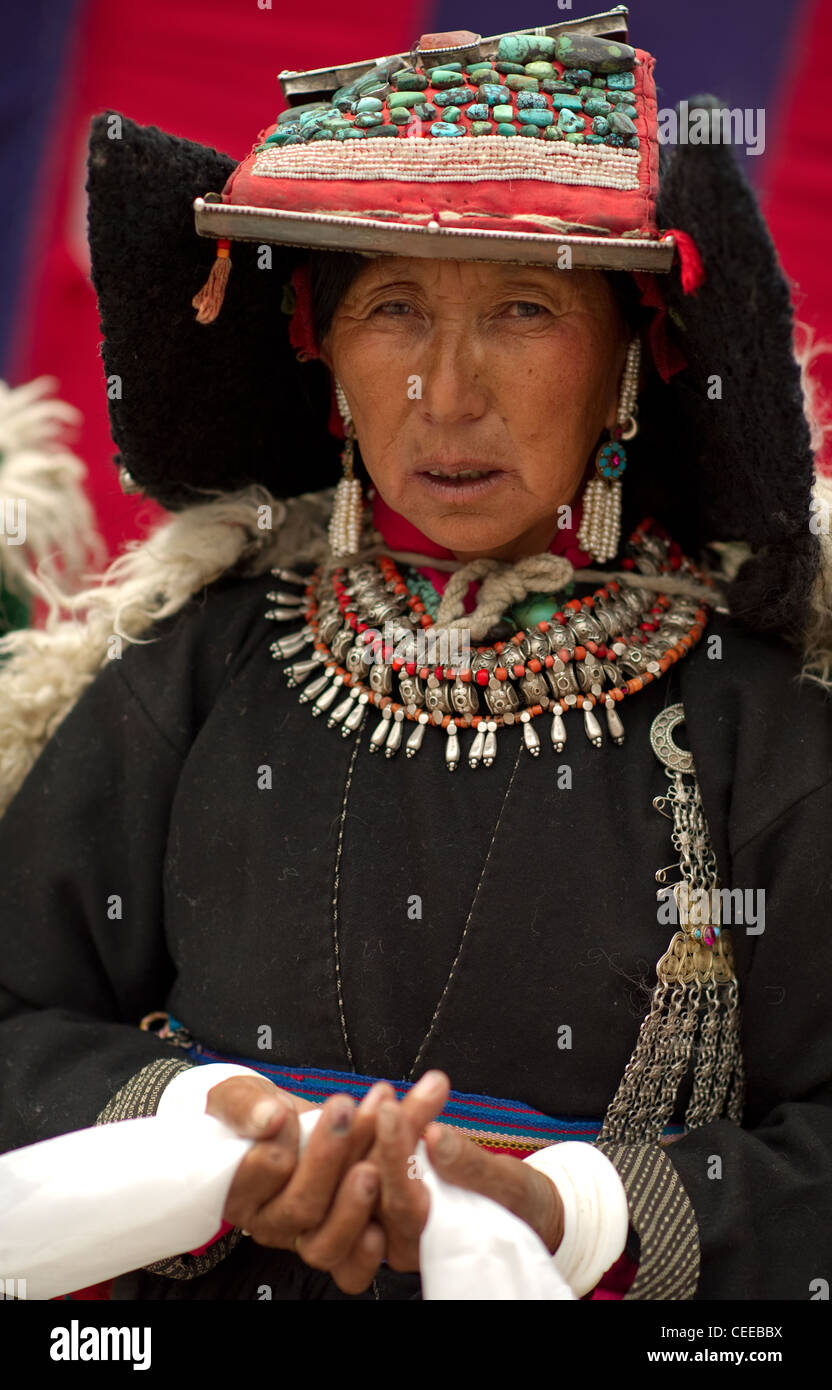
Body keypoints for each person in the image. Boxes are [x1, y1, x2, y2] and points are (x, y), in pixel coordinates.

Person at [1, 9, 831, 1303]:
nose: (445, 395)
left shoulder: (754, 730)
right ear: (318, 347)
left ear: (631, 354)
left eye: (522, 305)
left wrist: (568, 1211)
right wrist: (209, 1127)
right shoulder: (199, 670)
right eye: (391, 306)